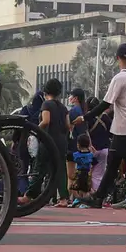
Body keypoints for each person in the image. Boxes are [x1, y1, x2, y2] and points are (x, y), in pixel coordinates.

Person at [80, 44, 126, 209]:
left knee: (117, 164)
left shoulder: (120, 78)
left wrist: (86, 116)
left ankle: (99, 197)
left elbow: (105, 103)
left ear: (118, 58)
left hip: (122, 128)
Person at [37, 79, 71, 207]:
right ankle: (63, 198)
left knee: (40, 168)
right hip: (62, 141)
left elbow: (46, 121)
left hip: (48, 140)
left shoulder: (46, 104)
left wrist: (36, 129)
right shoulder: (63, 107)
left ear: (45, 91)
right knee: (60, 169)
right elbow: (68, 125)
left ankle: (29, 195)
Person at [70, 134, 96, 205]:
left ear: (78, 144)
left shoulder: (76, 154)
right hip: (87, 173)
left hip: (78, 173)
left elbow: (71, 158)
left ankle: (79, 199)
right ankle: (84, 201)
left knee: (74, 187)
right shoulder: (90, 155)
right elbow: (95, 162)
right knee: (85, 189)